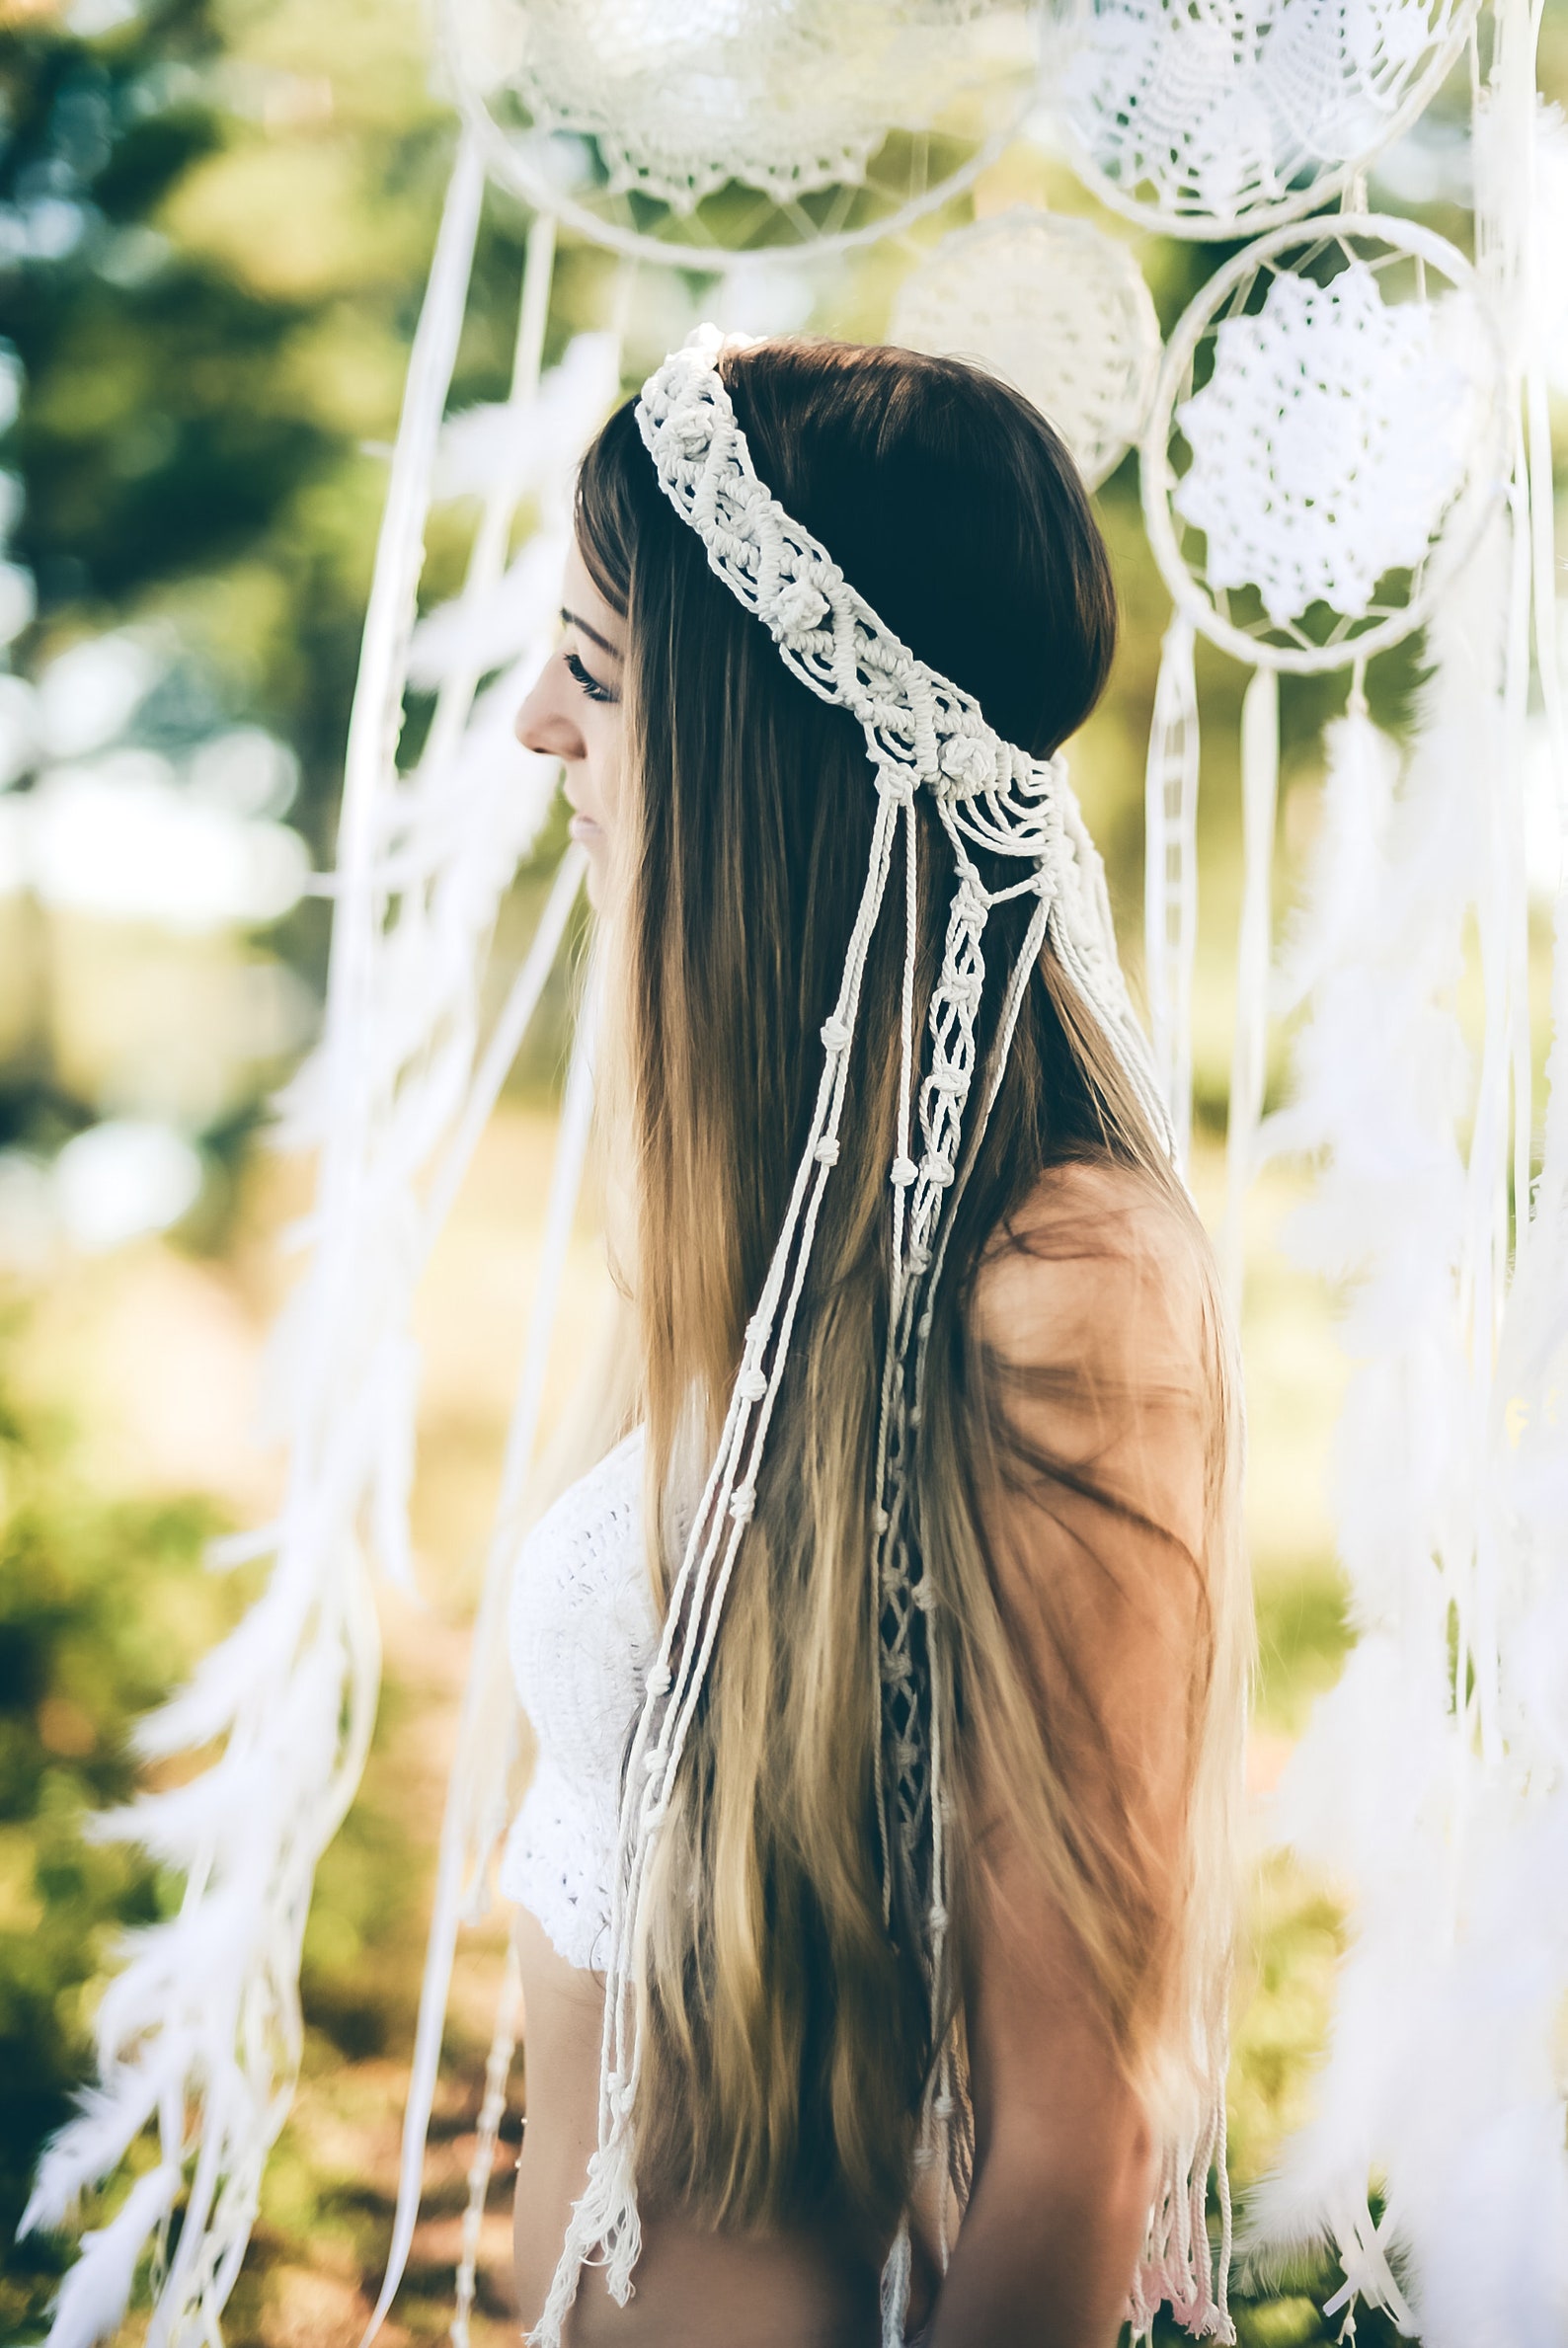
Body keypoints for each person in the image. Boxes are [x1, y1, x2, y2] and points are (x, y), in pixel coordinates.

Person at [505, 333, 1249, 2348]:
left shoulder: (1053, 1287)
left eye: (592, 664)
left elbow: (1075, 2135)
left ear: (760, 729)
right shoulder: (768, 1239)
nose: (529, 725)